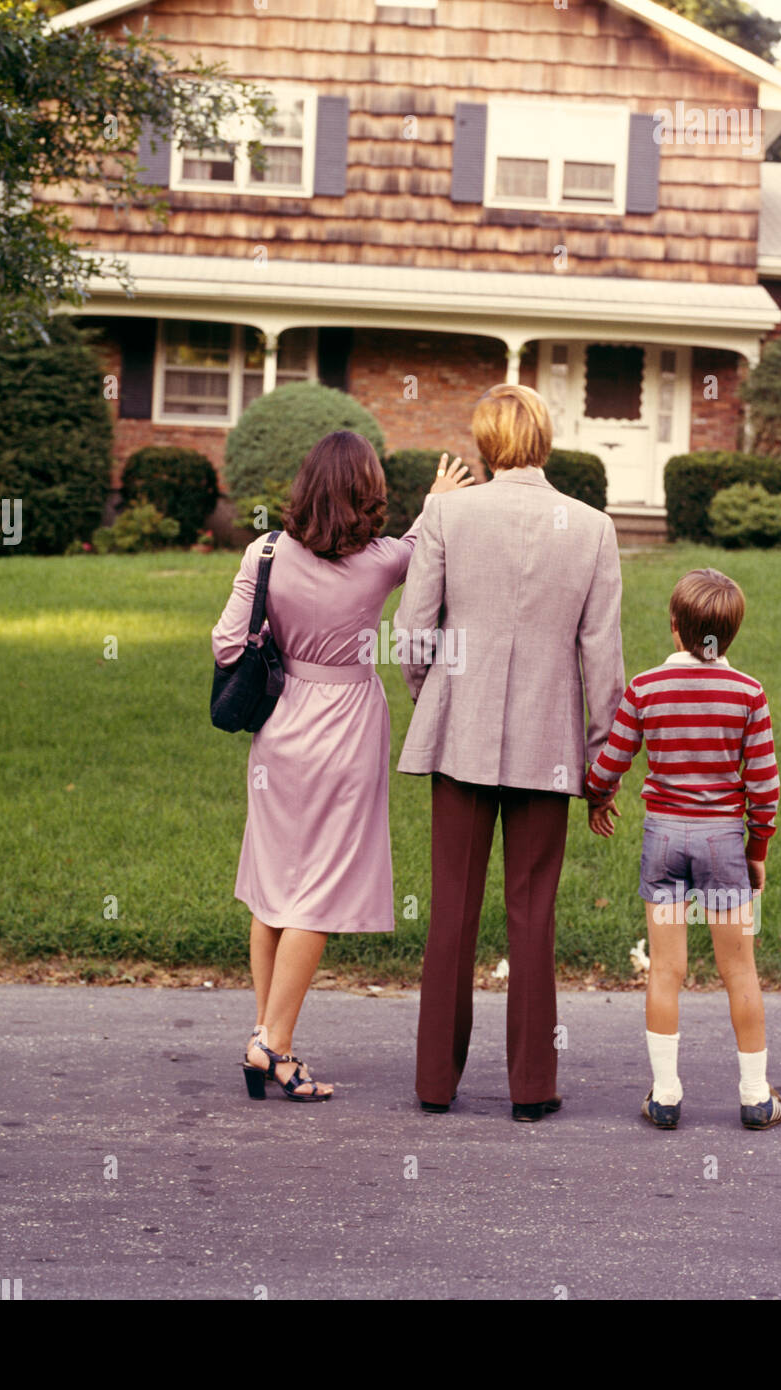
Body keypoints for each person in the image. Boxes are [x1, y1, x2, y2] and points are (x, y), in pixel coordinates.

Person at [212, 431, 471, 1102]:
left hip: (279, 722)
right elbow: (420, 549)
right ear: (366, 493)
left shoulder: (262, 552)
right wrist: (435, 502)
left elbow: (223, 644)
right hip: (347, 721)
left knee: (274, 886)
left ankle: (273, 1039)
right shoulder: (381, 562)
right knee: (318, 893)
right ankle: (270, 1044)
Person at [395, 384, 624, 1122]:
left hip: (458, 730)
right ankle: (532, 1087)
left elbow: (412, 632)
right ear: (545, 439)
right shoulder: (591, 528)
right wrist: (601, 763)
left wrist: (432, 696)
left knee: (450, 912)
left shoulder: (446, 512)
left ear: (485, 442)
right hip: (550, 742)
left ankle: (435, 1082)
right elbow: (604, 660)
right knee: (533, 914)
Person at [584, 567, 781, 1130]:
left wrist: (597, 797)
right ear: (732, 634)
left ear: (674, 627)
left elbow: (610, 764)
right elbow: (764, 785)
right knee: (739, 968)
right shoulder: (749, 693)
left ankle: (666, 1094)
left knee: (666, 970)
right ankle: (754, 1096)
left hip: (664, 837)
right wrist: (758, 847)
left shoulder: (645, 689)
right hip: (724, 841)